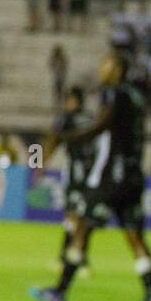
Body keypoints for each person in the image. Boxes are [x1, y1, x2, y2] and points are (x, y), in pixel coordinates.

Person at [31, 50, 151, 301]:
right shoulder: (136, 97)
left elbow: (101, 125)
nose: (102, 67)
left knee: (81, 230)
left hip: (112, 178)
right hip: (135, 175)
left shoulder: (113, 93)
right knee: (135, 238)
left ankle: (59, 291)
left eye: (107, 63)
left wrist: (70, 137)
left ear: (118, 69)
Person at [50, 86, 96, 278]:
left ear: (75, 101)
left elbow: (51, 139)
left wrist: (37, 163)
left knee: (72, 215)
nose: (67, 104)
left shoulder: (66, 119)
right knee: (84, 216)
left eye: (69, 100)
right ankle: (79, 258)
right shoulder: (92, 119)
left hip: (75, 172)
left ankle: (68, 257)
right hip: (93, 172)